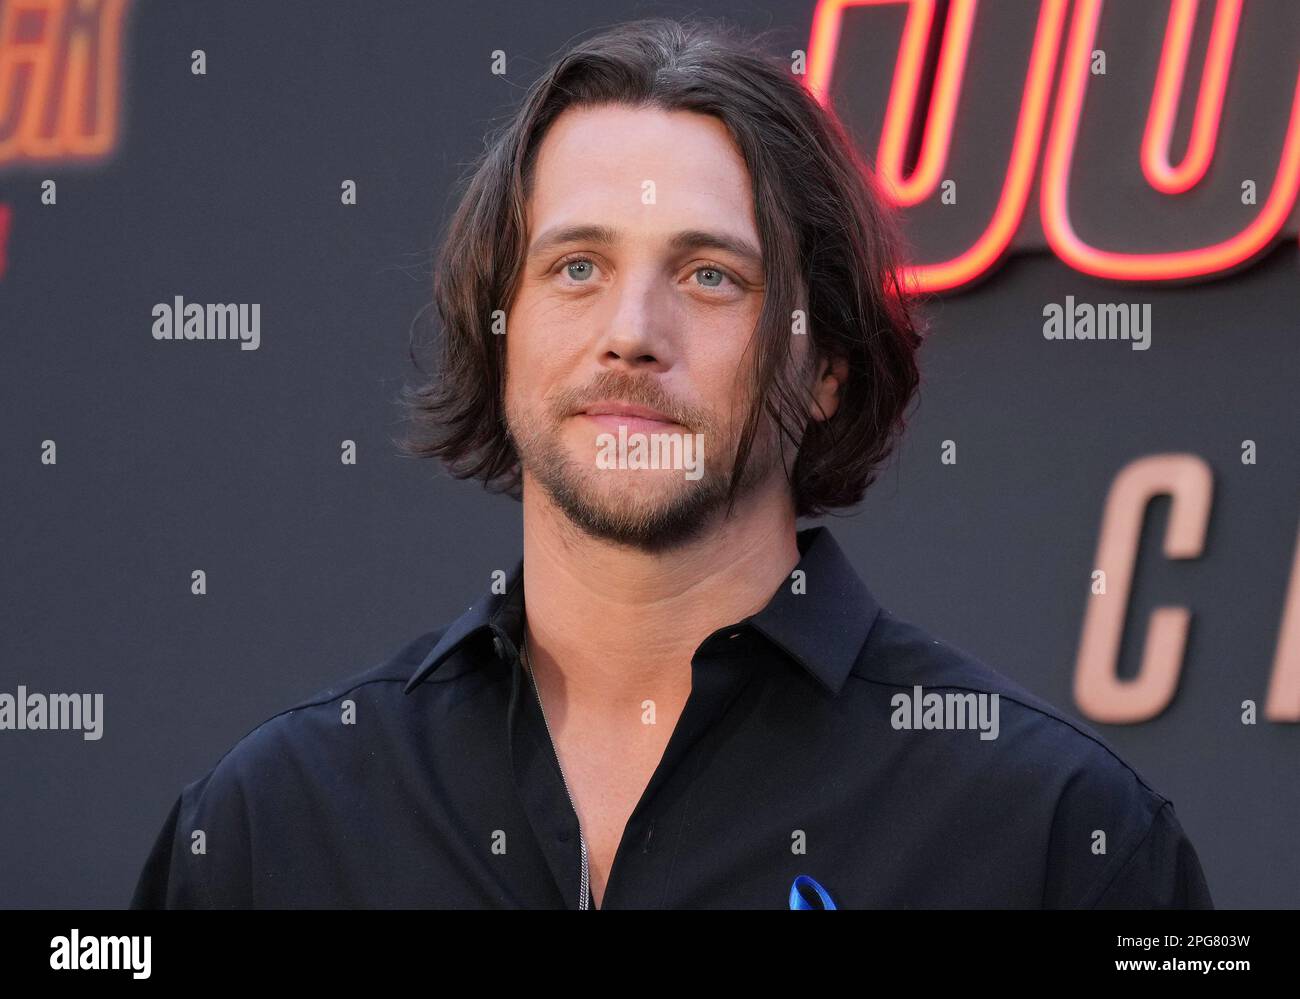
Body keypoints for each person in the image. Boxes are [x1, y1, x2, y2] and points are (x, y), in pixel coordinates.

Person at [130, 16, 1212, 909]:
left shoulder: (1057, 836)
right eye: (578, 266)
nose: (631, 331)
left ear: (826, 363)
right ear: (501, 329)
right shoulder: (277, 822)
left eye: (708, 277)